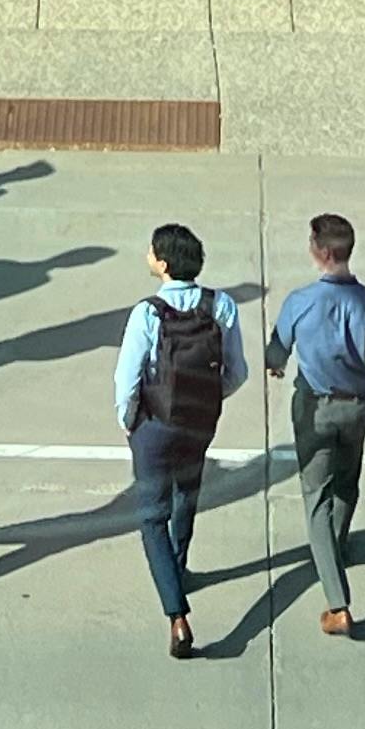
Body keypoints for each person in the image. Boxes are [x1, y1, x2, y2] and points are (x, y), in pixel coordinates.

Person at [265, 210, 365, 638]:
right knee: (347, 483)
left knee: (315, 496)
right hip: (357, 409)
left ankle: (338, 603)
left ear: (320, 252)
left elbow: (276, 353)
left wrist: (275, 365)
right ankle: (338, 545)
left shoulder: (300, 302)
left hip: (314, 410)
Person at [112, 222, 246, 657]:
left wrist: (130, 423)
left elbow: (127, 380)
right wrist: (208, 398)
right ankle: (180, 566)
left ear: (164, 264)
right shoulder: (221, 305)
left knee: (152, 517)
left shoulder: (147, 313)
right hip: (200, 422)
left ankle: (177, 615)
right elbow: (237, 372)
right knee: (187, 495)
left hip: (155, 425)